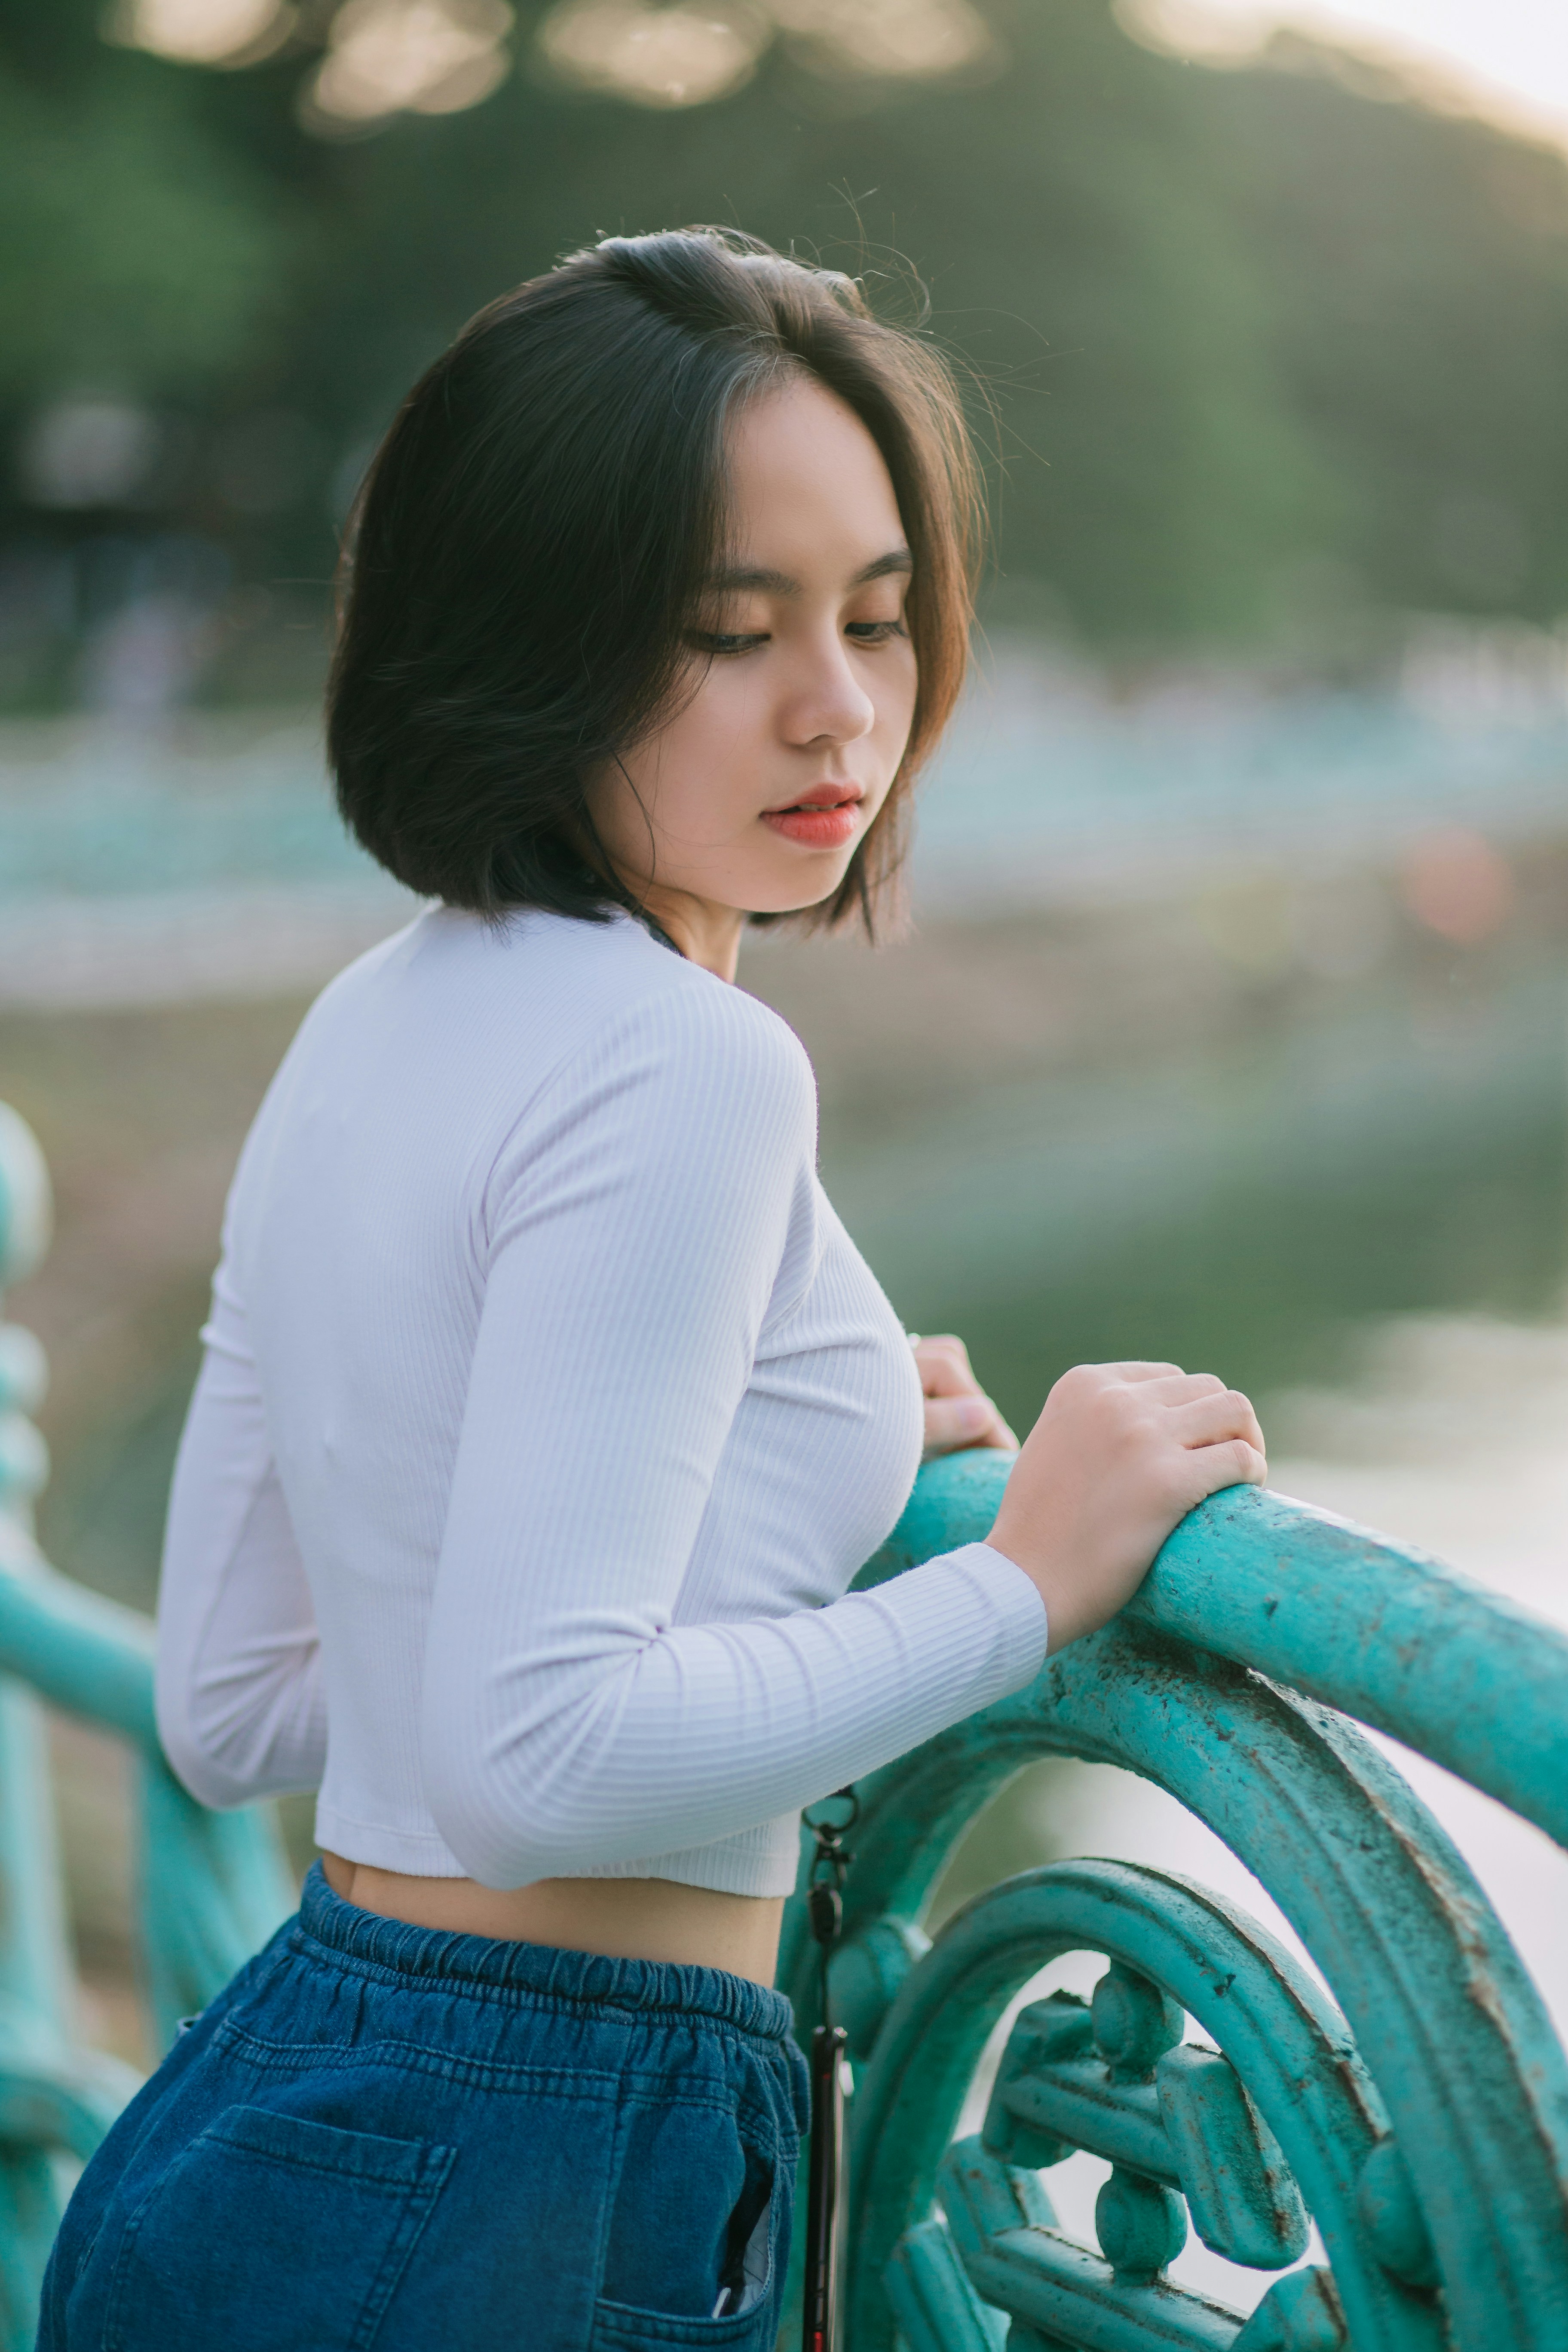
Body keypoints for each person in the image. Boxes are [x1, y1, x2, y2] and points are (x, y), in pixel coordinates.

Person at [39, 228, 1266, 2351]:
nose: (839, 709)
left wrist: (737, 1480)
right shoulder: (689, 1065)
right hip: (543, 2159)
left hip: (270, 2100)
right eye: (727, 632)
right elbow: (537, 1757)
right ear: (523, 640)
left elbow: (232, 1701)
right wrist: (1024, 1582)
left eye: (877, 619)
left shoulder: (370, 1020)